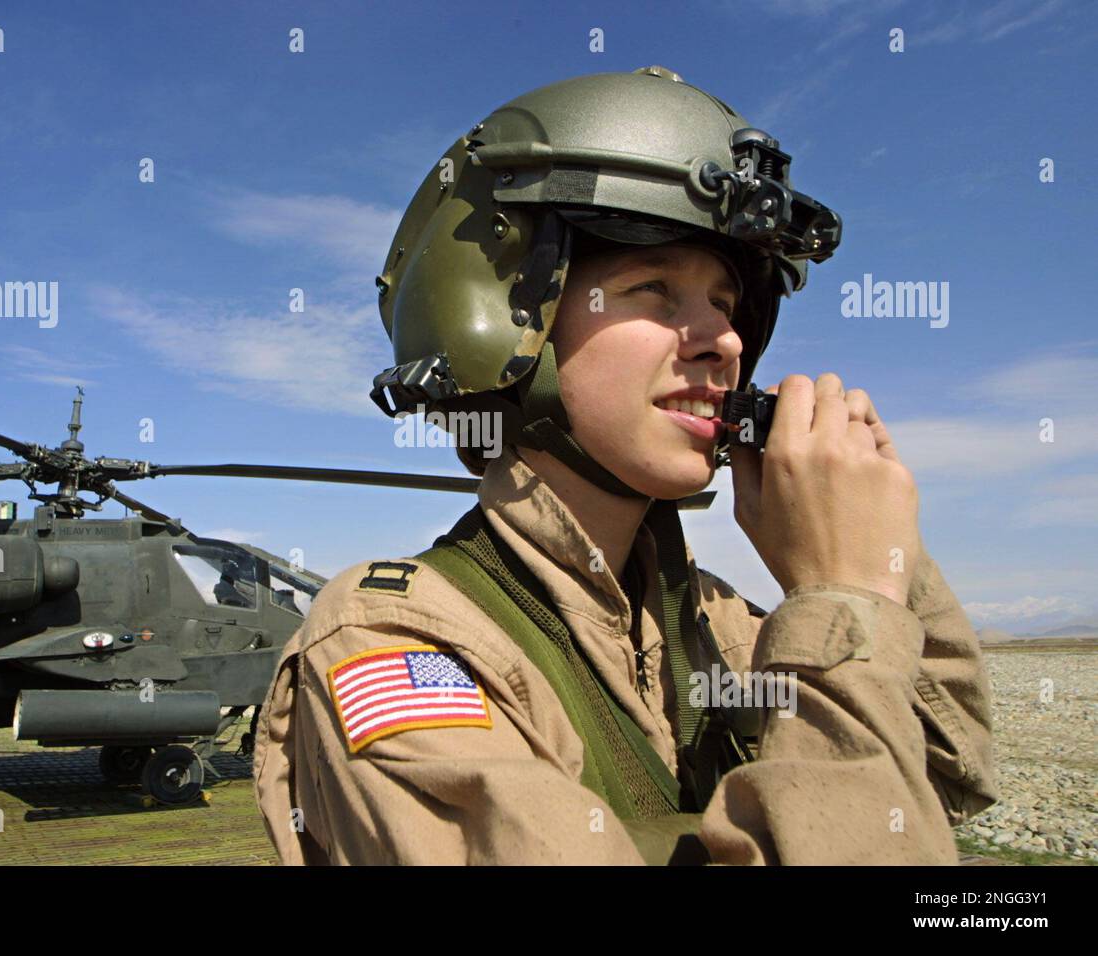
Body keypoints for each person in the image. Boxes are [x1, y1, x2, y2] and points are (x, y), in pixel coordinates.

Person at [253, 67, 997, 864]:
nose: (727, 340)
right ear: (505, 324)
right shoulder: (396, 644)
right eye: (653, 290)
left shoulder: (716, 623)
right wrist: (840, 603)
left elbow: (942, 774)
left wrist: (879, 560)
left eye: (725, 303)